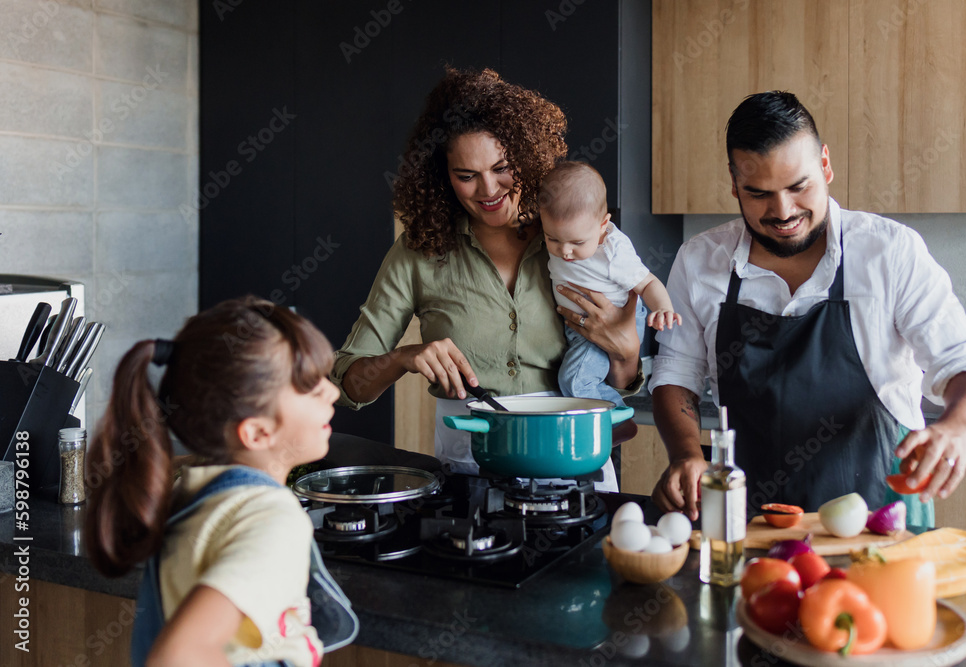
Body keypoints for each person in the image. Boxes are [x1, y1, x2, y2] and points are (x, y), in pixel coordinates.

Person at [650, 91, 966, 527]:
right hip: (753, 524)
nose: (783, 211)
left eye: (799, 187)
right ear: (734, 182)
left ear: (826, 165)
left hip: (880, 523)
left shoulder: (888, 252)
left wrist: (958, 429)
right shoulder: (700, 261)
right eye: (758, 193)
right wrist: (685, 455)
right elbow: (676, 372)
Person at [331, 68, 644, 490]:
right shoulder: (418, 251)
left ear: (527, 157)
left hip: (574, 457)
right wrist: (405, 357)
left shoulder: (573, 241)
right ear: (442, 176)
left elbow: (616, 378)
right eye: (466, 176)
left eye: (502, 168)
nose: (488, 189)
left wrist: (625, 355)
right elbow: (350, 381)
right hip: (470, 470)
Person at [85, 297, 357, 667]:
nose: (333, 392)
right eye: (309, 387)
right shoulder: (270, 517)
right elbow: (177, 657)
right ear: (258, 433)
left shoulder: (195, 499)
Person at [538, 161, 680, 406]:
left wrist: (663, 308)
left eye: (577, 243)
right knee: (584, 380)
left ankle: (615, 415)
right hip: (581, 327)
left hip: (614, 323)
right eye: (553, 239)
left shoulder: (613, 253)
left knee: (574, 381)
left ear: (603, 225)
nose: (565, 251)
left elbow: (647, 283)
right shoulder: (563, 232)